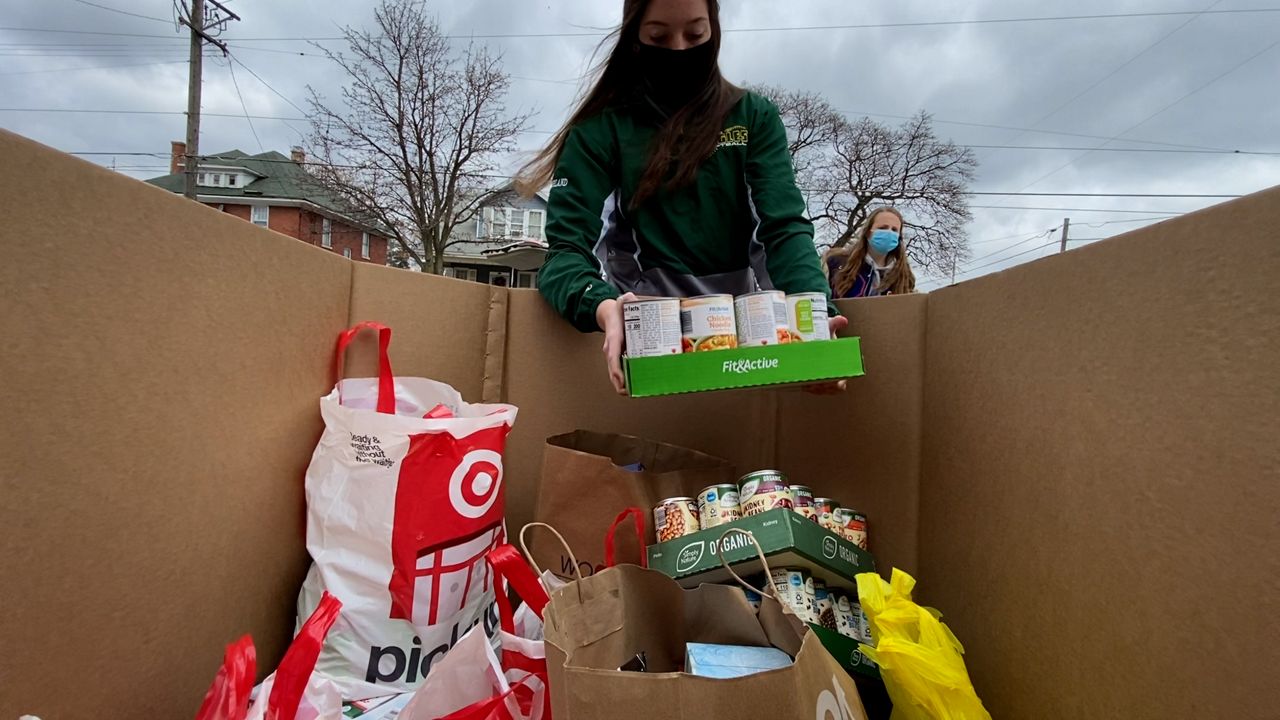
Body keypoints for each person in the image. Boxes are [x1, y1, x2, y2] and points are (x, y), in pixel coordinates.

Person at [518, 0, 846, 393]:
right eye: (659, 36)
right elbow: (566, 254)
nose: (678, 50)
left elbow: (782, 230)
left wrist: (813, 315)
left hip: (741, 348)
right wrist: (603, 307)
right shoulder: (599, 133)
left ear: (714, 30)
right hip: (646, 345)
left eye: (695, 34)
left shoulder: (753, 118)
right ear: (634, 36)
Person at [824, 207, 917, 299]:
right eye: (882, 228)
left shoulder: (904, 276)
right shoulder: (837, 263)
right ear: (868, 232)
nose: (889, 233)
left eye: (894, 230)